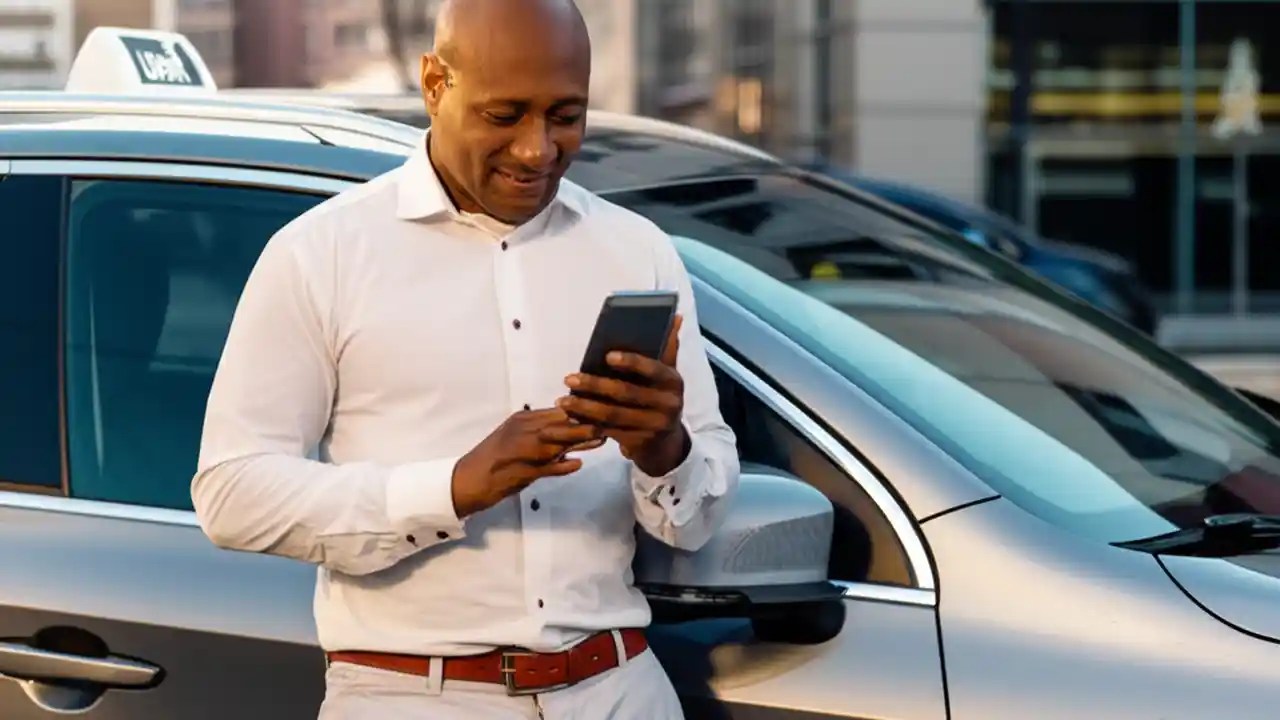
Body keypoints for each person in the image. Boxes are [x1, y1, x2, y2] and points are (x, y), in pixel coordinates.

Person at [190, 0, 739, 717]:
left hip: (622, 692)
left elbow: (693, 523)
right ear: (434, 84)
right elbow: (232, 494)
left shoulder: (637, 251)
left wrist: (663, 448)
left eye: (565, 115)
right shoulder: (320, 254)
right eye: (505, 115)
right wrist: (450, 489)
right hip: (410, 694)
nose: (538, 149)